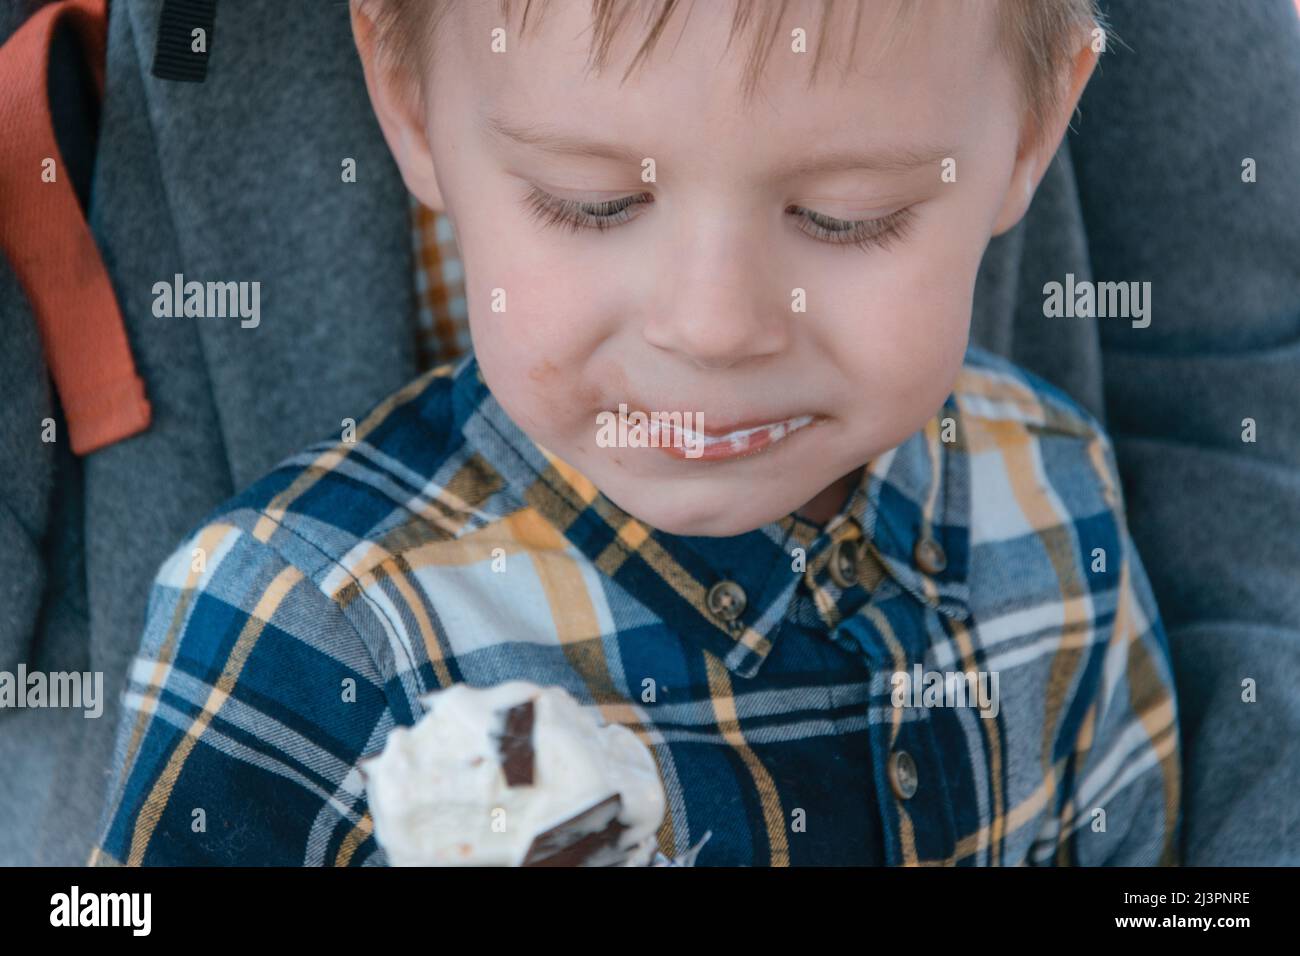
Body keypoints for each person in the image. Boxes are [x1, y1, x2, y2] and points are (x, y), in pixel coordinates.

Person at [87, 0, 1183, 866]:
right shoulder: (307, 628)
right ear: (412, 105)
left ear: (1033, 128)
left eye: (846, 214)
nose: (711, 327)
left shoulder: (1051, 496)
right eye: (592, 201)